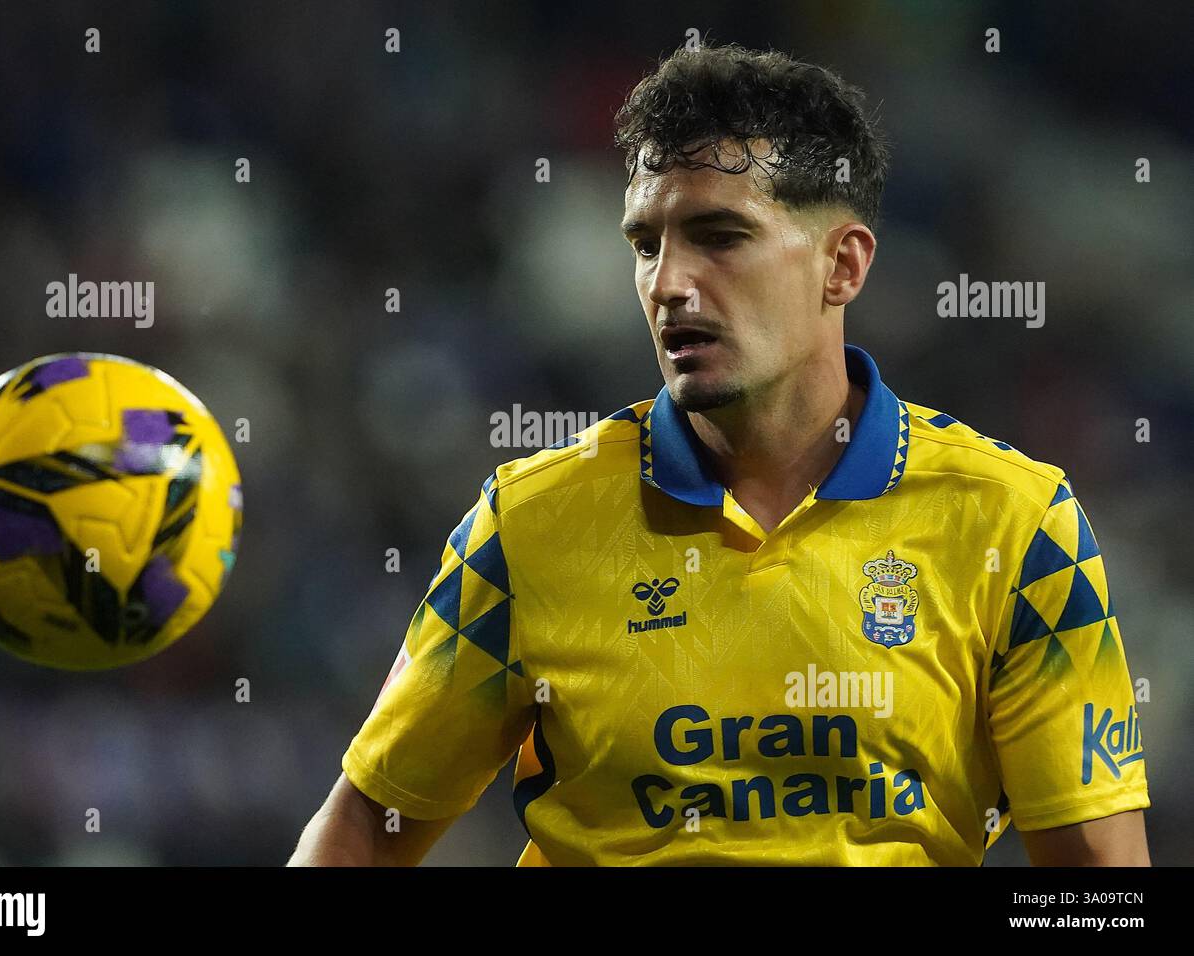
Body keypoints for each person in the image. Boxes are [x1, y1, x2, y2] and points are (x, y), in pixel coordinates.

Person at [290, 43, 1150, 866]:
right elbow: (366, 827)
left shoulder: (1013, 524)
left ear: (842, 266)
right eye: (646, 244)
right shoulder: (531, 524)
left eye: (719, 236)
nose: (668, 283)